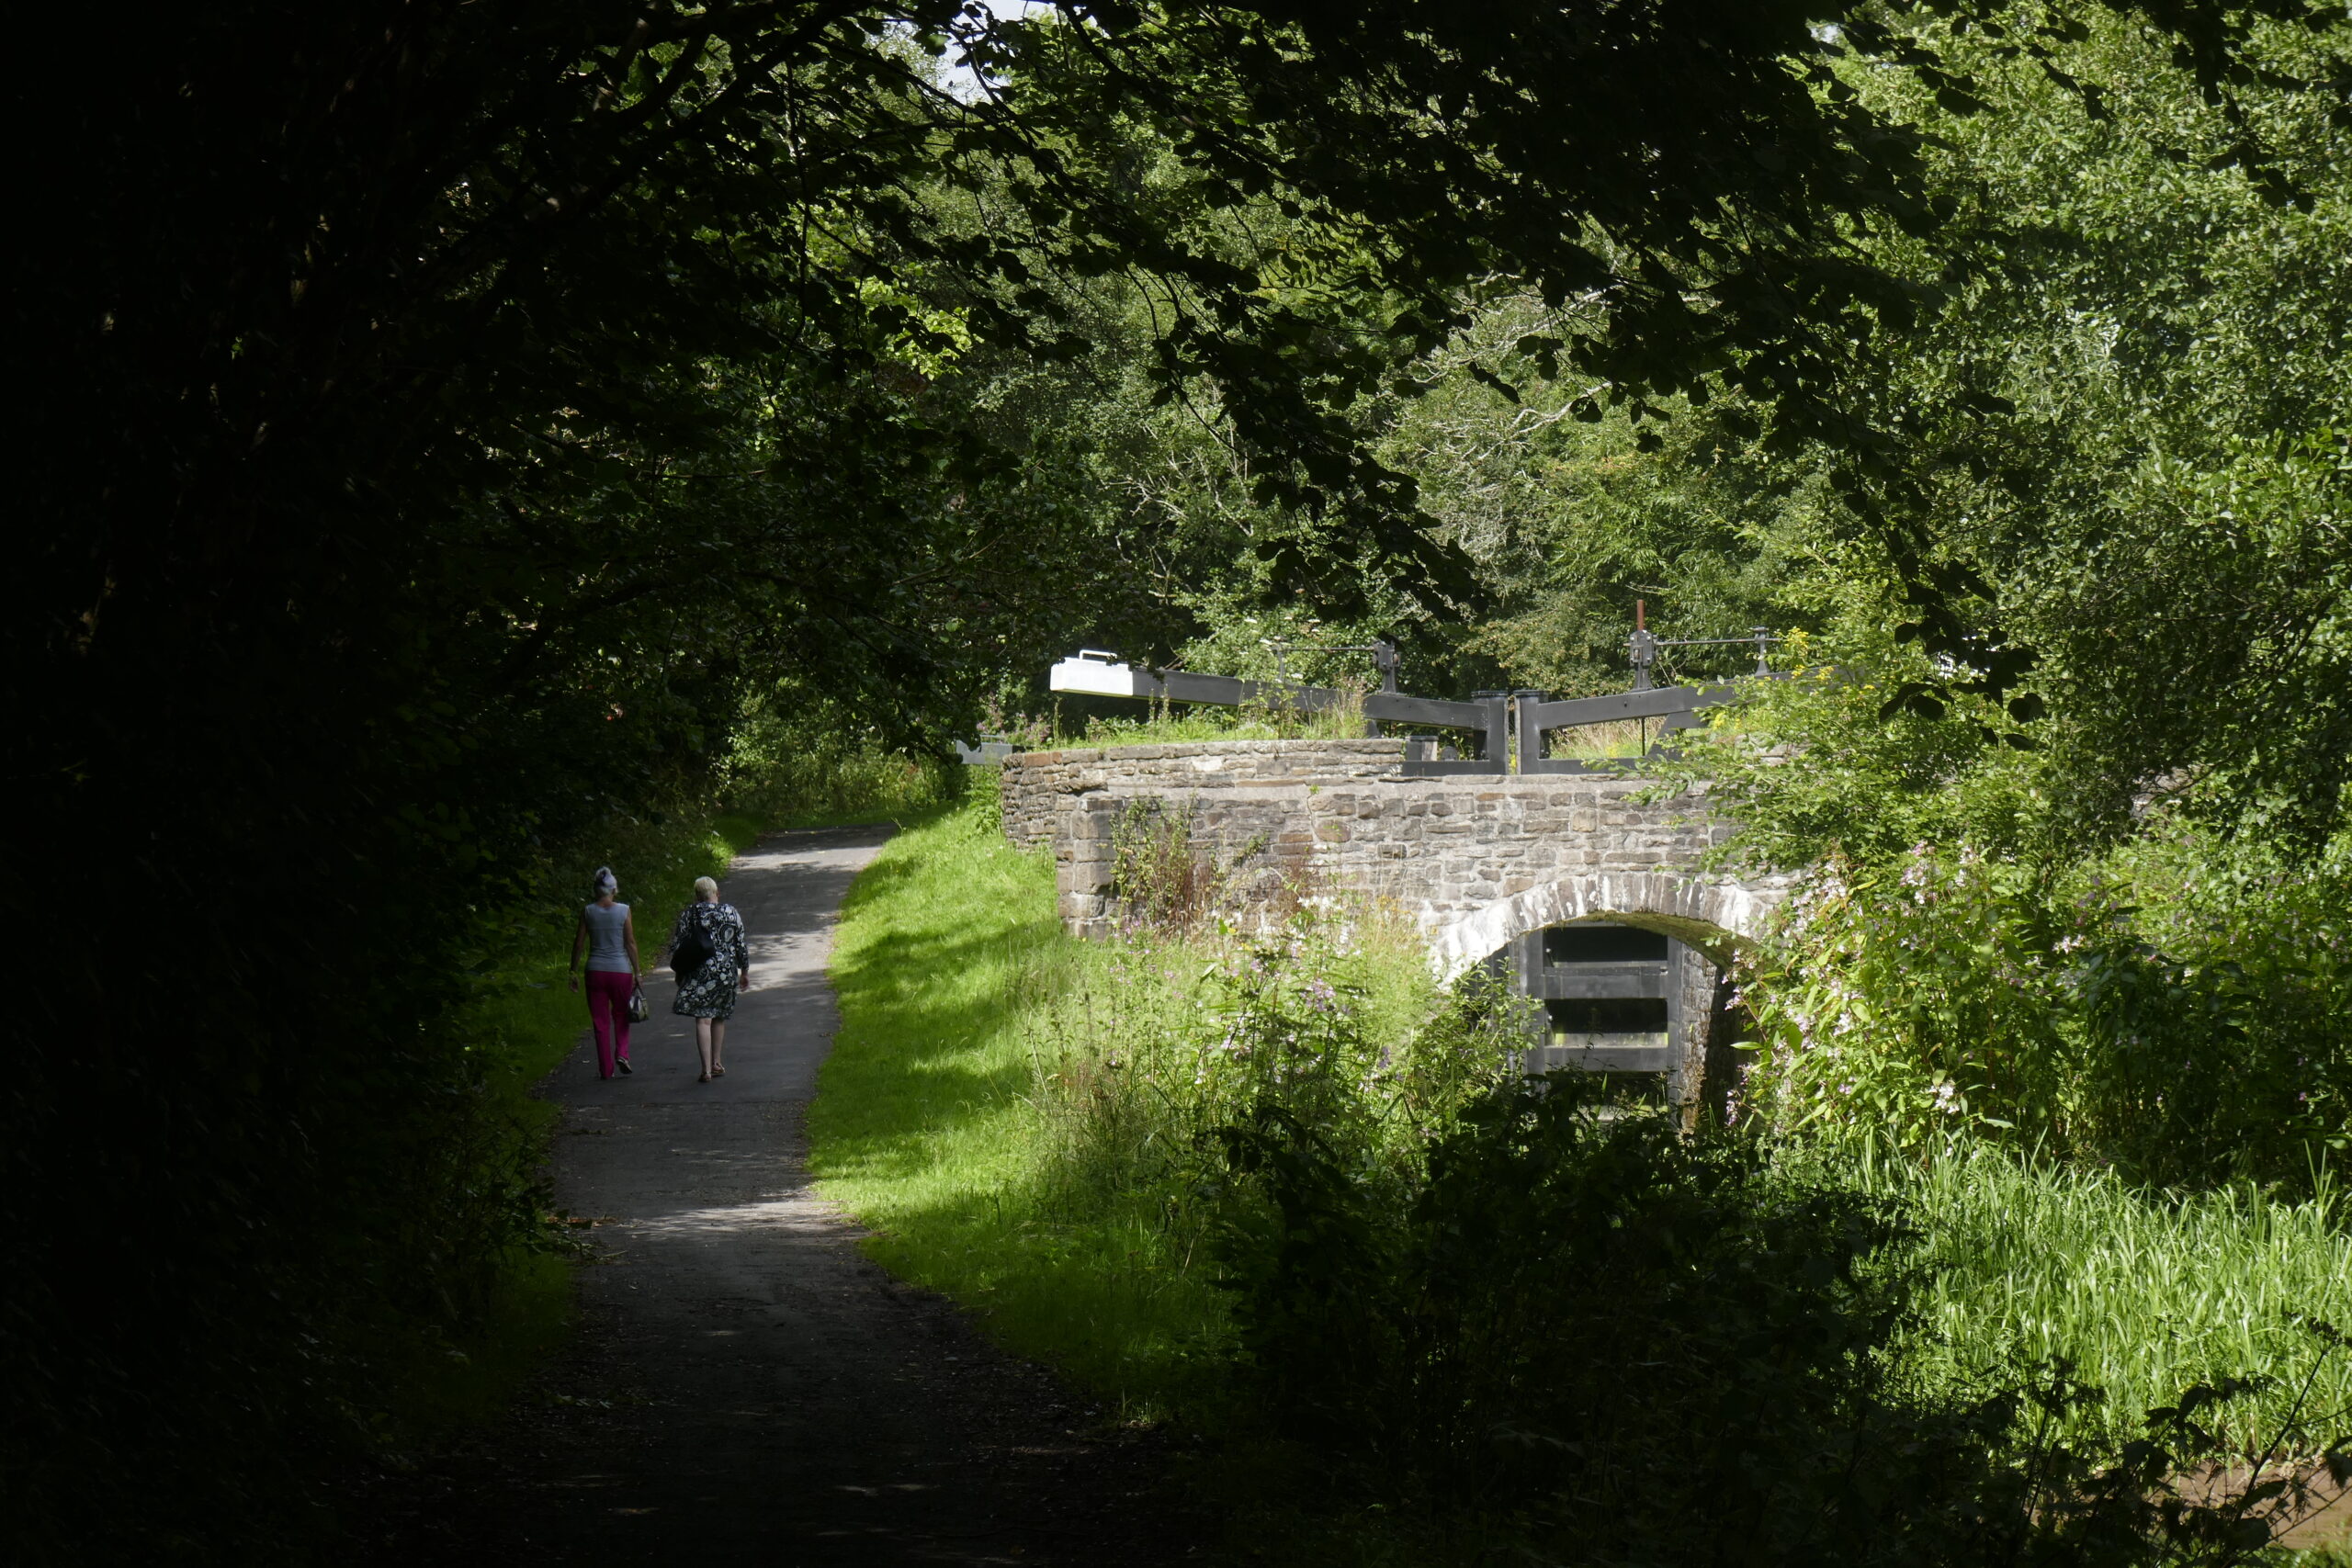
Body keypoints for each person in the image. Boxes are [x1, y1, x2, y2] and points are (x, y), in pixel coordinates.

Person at [669, 874, 750, 1083]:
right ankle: (716, 1062)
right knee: (719, 1016)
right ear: (717, 893)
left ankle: (705, 1070)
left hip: (699, 972)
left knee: (703, 1020)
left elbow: (679, 946)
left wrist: (679, 972)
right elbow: (740, 944)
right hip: (725, 973)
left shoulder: (690, 913)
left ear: (697, 895)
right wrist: (744, 972)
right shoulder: (731, 912)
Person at [569, 865, 644, 1080]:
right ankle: (622, 1053)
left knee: (600, 1021)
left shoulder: (587, 911)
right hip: (620, 971)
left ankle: (606, 1069)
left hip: (595, 972)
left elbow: (579, 944)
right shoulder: (624, 910)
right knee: (622, 1015)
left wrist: (572, 971)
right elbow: (630, 942)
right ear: (614, 890)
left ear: (596, 890)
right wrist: (637, 971)